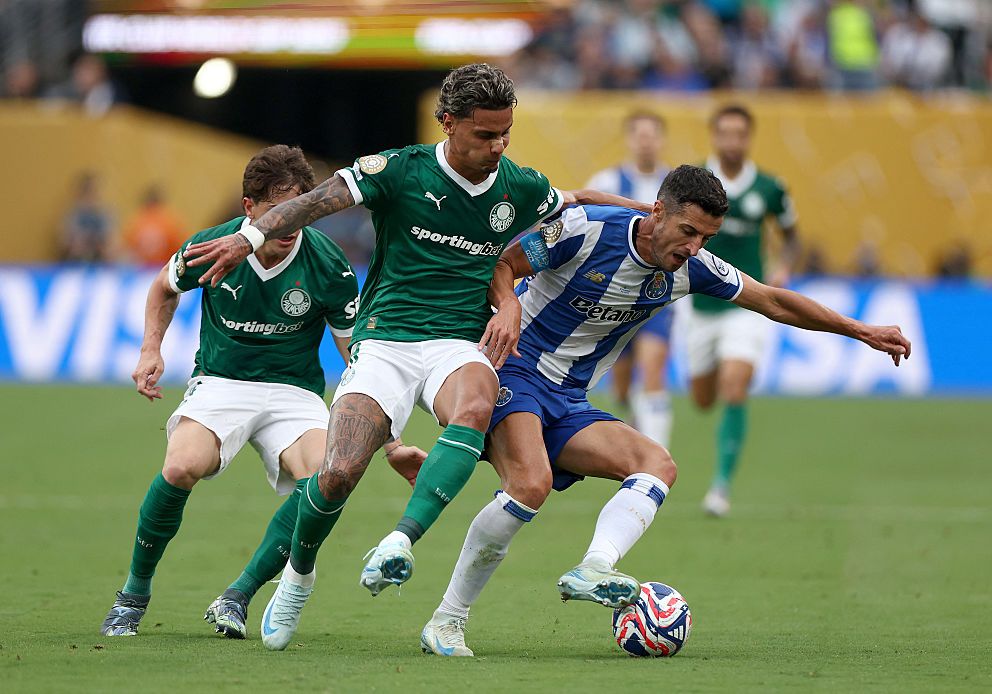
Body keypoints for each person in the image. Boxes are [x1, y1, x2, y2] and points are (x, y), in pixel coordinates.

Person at [182, 63, 648, 652]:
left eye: (506, 133)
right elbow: (314, 204)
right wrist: (247, 238)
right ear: (448, 123)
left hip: (459, 341)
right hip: (386, 340)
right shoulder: (399, 170)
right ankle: (296, 578)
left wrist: (648, 215)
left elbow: (579, 200)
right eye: (485, 134)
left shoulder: (520, 185)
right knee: (338, 473)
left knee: (476, 403)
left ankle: (400, 540)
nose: (497, 146)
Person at [420, 165, 910, 657]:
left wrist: (860, 330)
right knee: (531, 483)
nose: (695, 247)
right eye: (689, 232)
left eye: (706, 237)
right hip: (515, 370)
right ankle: (447, 621)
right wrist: (506, 305)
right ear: (658, 213)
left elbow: (773, 301)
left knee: (658, 464)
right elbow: (503, 264)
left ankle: (594, 567)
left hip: (569, 397)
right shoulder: (587, 229)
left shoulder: (692, 268)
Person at [99, 145, 425, 638]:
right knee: (182, 466)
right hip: (222, 383)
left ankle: (239, 595)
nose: (288, 222)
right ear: (249, 208)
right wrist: (151, 350)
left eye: (298, 207)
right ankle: (133, 594)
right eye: (275, 210)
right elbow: (164, 288)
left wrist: (389, 440)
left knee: (328, 476)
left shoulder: (327, 263)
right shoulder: (215, 245)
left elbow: (356, 357)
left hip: (293, 393)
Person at [692, 104, 801, 517]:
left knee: (735, 388)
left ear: (749, 138)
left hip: (746, 303)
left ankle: (720, 486)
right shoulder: (695, 182)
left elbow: (791, 236)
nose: (732, 142)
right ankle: (714, 389)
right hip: (697, 305)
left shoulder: (771, 188)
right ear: (714, 136)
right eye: (725, 133)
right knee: (703, 398)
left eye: (740, 134)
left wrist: (784, 265)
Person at [585, 111, 674, 448]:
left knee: (654, 372)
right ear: (629, 139)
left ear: (662, 140)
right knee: (620, 387)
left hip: (659, 296)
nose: (646, 140)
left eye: (652, 134)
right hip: (613, 298)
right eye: (640, 134)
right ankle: (635, 411)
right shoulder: (606, 183)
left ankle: (657, 457)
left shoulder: (676, 187)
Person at [121, 185, 187, 266]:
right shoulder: (171, 222)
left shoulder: (136, 222)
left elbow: (127, 249)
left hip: (141, 270)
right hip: (164, 267)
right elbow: (181, 248)